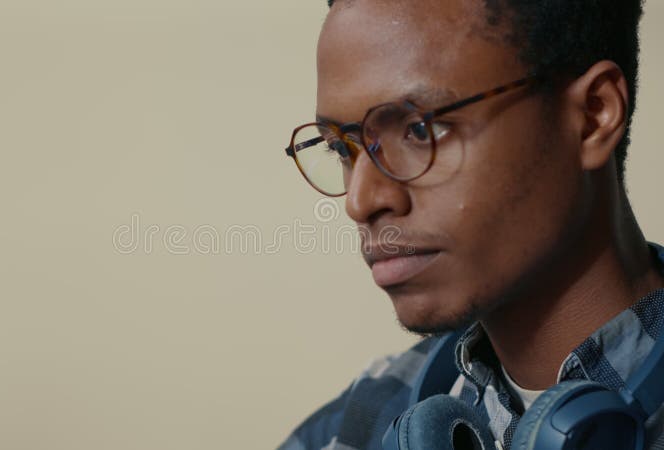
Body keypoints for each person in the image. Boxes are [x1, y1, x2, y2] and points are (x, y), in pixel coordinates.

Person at [278, 0, 664, 449]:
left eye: (419, 130)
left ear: (594, 115)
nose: (361, 201)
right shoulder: (360, 421)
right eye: (341, 149)